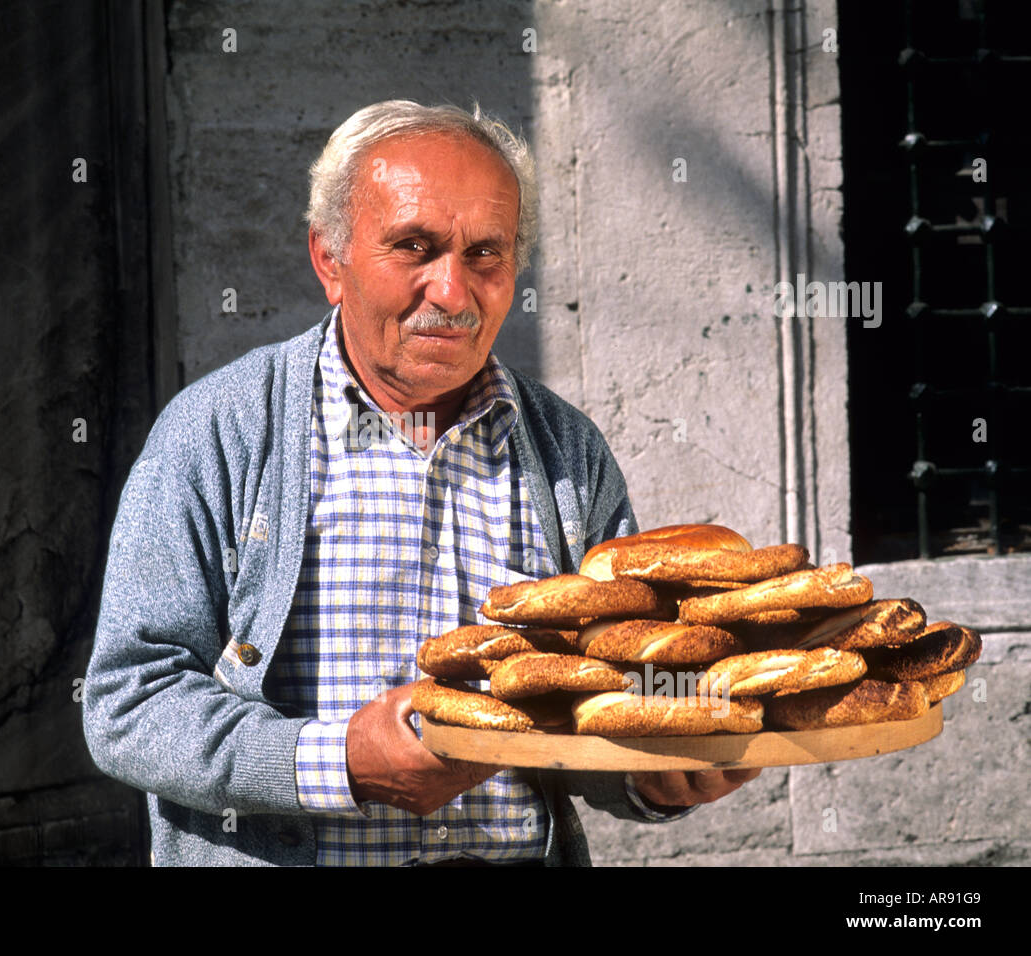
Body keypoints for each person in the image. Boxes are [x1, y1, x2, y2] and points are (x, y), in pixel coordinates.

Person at [82, 100, 760, 866]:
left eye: (485, 255)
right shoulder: (217, 433)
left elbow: (594, 710)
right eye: (415, 246)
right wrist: (335, 763)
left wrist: (659, 777)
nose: (452, 292)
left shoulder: (566, 451)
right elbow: (129, 705)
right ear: (329, 259)